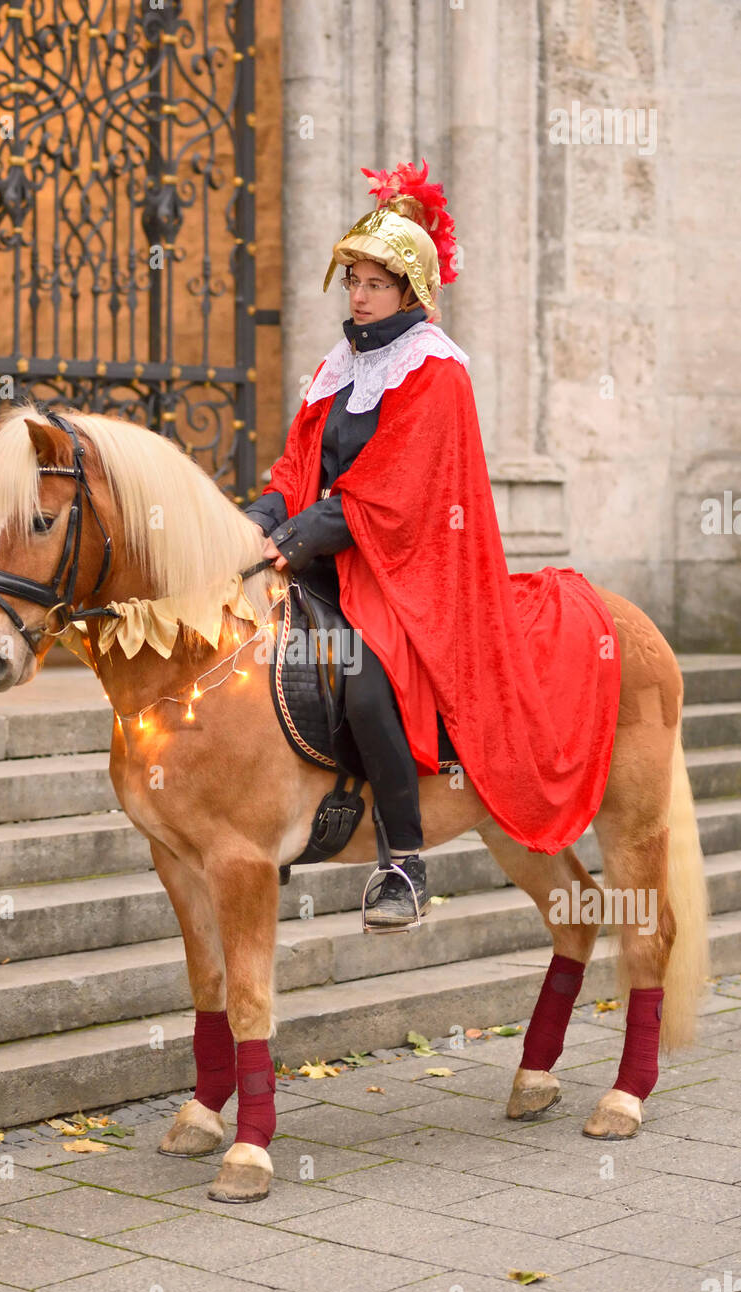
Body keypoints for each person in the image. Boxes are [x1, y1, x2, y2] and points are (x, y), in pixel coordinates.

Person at [244, 159, 466, 927]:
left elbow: (391, 490)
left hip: (396, 568)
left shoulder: (436, 372)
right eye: (353, 281)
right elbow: (296, 465)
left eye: (375, 282)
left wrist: (296, 538)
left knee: (359, 673)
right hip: (316, 559)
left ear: (410, 292)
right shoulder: (336, 368)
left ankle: (403, 862)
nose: (360, 294)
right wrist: (257, 521)